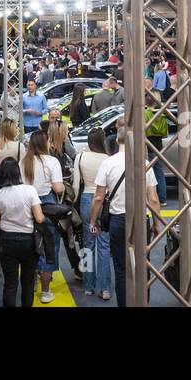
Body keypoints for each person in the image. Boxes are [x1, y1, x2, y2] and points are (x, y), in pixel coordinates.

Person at [89, 128, 160, 307]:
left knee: (121, 268)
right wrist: (157, 224)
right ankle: (145, 302)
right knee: (144, 266)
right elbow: (153, 199)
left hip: (117, 221)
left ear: (116, 141)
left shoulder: (108, 163)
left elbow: (98, 197)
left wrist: (93, 220)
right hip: (141, 220)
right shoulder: (145, 164)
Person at [0, 157, 45, 307]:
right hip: (28, 242)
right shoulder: (29, 190)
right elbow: (39, 219)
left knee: (10, 284)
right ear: (17, 172)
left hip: (7, 242)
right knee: (28, 283)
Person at [22, 128, 65, 302]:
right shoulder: (52, 162)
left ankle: (31, 282)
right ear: (43, 143)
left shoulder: (23, 162)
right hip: (47, 205)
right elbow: (58, 188)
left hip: (26, 205)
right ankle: (46, 291)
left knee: (30, 244)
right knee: (49, 246)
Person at [73, 127, 113, 300]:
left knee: (87, 246)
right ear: (102, 141)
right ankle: (105, 289)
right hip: (103, 201)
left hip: (85, 200)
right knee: (104, 245)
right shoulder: (108, 159)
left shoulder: (80, 157)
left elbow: (75, 185)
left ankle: (89, 286)